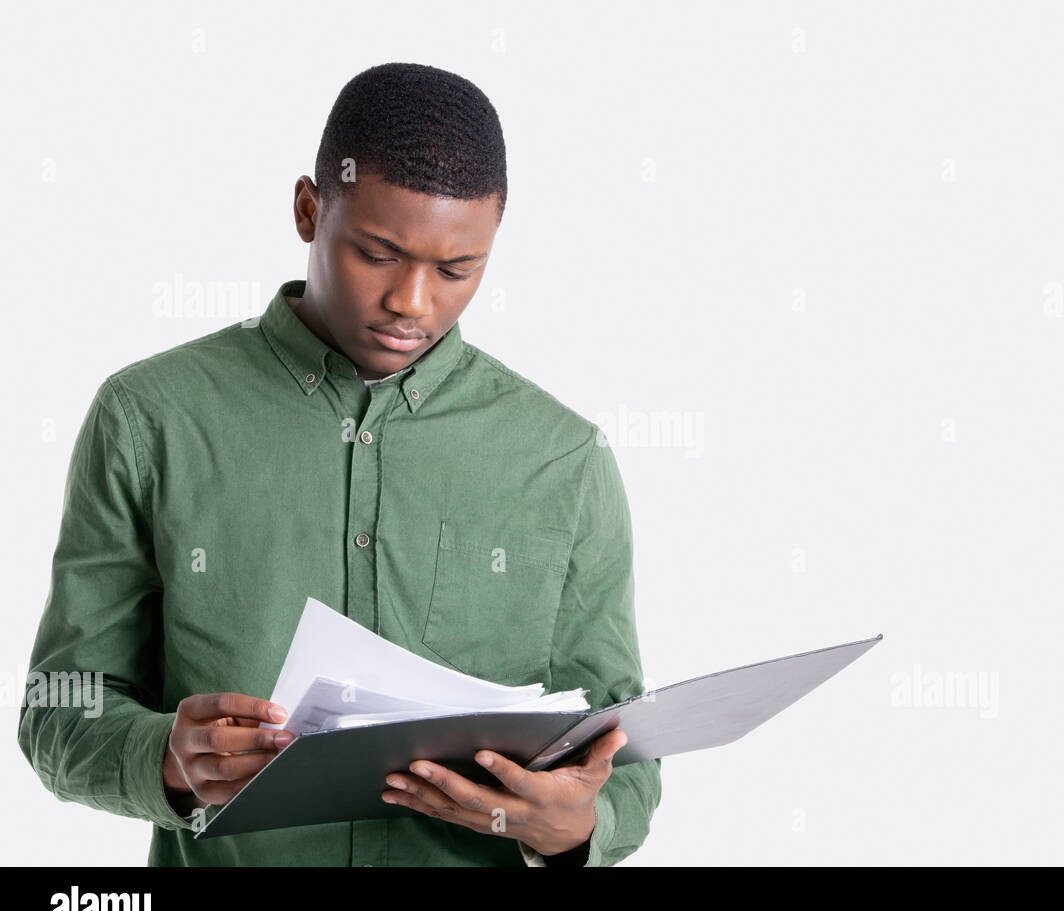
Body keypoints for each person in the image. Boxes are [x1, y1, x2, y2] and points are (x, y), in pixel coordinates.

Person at [17, 62, 661, 866]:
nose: (413, 303)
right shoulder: (150, 418)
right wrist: (164, 758)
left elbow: (624, 749)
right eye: (379, 253)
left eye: (457, 270)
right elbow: (58, 710)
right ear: (308, 209)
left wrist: (576, 827)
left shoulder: (562, 457)